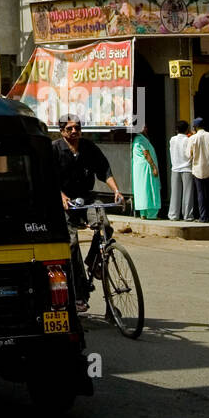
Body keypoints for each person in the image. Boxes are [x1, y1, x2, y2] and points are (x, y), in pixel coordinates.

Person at [52, 115, 124, 313]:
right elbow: (48, 178)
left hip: (87, 198)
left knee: (105, 226)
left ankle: (94, 262)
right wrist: (62, 197)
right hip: (66, 203)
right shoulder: (55, 149)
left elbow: (105, 170)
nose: (74, 131)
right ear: (62, 131)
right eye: (69, 128)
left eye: (77, 128)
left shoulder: (89, 147)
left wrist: (116, 190)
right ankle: (80, 293)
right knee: (72, 244)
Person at [189, 118, 209, 223]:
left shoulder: (192, 138)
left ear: (195, 127)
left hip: (197, 169)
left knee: (200, 193)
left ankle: (203, 217)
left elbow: (188, 154)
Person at [130, 124, 161, 219]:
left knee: (142, 190)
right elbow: (146, 154)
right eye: (144, 127)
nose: (146, 129)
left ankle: (143, 213)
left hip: (139, 169)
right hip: (146, 169)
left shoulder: (136, 139)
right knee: (150, 189)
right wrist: (154, 167)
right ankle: (151, 214)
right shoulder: (141, 139)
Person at [168, 121, 196, 222]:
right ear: (187, 129)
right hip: (187, 168)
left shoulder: (172, 139)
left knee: (175, 193)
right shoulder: (188, 140)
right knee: (187, 193)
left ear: (177, 129)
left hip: (175, 167)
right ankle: (187, 215)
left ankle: (173, 215)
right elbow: (189, 154)